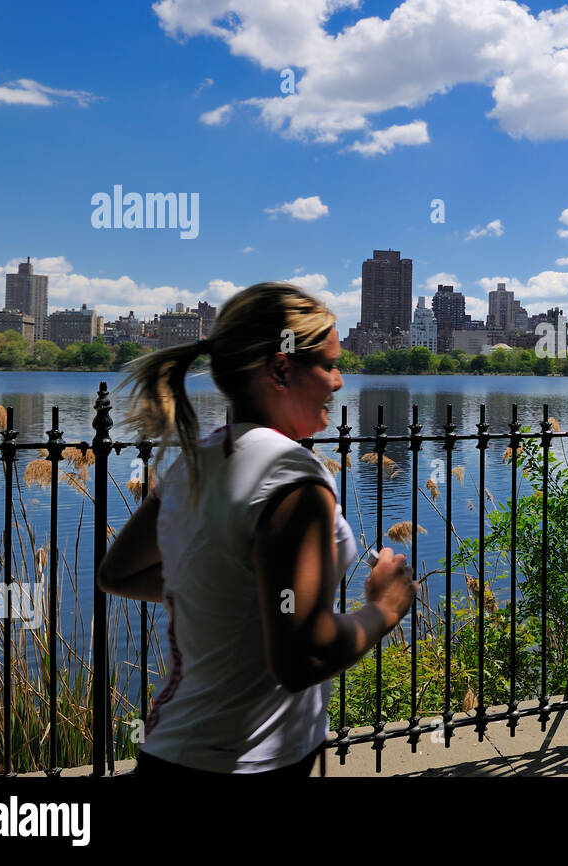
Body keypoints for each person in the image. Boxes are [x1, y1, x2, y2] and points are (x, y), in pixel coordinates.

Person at [98, 281, 416, 776]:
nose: (338, 382)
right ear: (281, 369)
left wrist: (239, 590)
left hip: (172, 752)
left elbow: (117, 574)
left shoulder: (197, 459)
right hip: (247, 765)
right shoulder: (292, 479)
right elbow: (301, 660)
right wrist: (385, 608)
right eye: (330, 365)